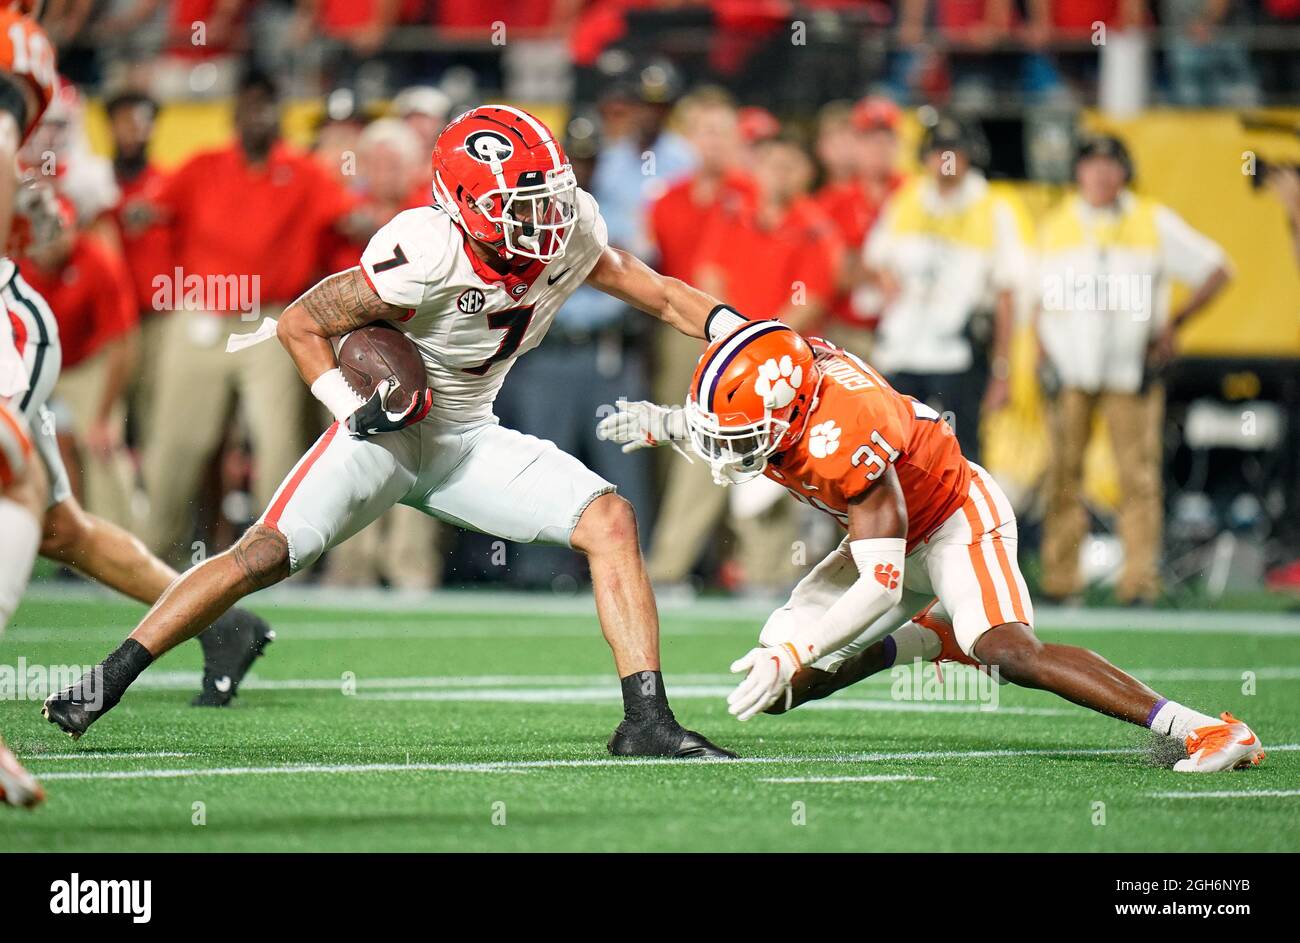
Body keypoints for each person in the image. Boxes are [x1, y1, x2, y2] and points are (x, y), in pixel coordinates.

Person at [44, 104, 749, 760]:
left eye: (550, 197)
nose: (545, 220)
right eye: (520, 206)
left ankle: (647, 723)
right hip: (384, 434)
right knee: (261, 553)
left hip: (469, 437)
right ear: (464, 206)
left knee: (611, 520)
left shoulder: (571, 231)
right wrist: (348, 407)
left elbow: (655, 291)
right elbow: (301, 323)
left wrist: (740, 332)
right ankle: (107, 677)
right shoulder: (426, 251)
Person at [598, 319, 1265, 773]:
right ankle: (928, 639)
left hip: (950, 519)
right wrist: (669, 422)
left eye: (733, 433)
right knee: (779, 690)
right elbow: (747, 412)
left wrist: (802, 643)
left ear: (792, 414)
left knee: (1006, 649)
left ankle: (1200, 725)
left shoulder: (845, 435)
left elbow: (882, 585)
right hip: (885, 538)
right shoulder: (788, 390)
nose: (725, 446)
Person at [0, 0, 266, 811]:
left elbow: (44, 188)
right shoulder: (34, 57)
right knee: (54, 521)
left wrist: (28, 208)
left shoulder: (26, 55)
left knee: (19, 487)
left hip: (7, 312)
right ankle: (218, 622)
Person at [126, 68, 369, 567]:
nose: (256, 116)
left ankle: (281, 555)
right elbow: (142, 213)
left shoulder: (303, 172)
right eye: (249, 106)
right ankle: (152, 558)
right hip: (202, 312)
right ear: (235, 113)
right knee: (176, 442)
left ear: (276, 113)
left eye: (265, 106)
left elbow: (353, 217)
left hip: (269, 319)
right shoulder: (202, 167)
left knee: (277, 442)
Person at [1036, 134, 1231, 605]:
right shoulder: (1058, 223)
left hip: (1132, 368)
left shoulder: (1151, 220)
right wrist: (1043, 358)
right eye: (1092, 165)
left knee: (1137, 478)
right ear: (1078, 172)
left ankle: (1139, 581)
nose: (1100, 175)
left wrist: (1173, 324)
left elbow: (1218, 268)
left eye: (1109, 165)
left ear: (1124, 172)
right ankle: (1062, 580)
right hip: (1072, 369)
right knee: (1063, 474)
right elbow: (1036, 303)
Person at [863, 114, 1024, 465]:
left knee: (962, 457)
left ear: (971, 156)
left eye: (954, 152)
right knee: (892, 456)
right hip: (902, 352)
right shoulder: (906, 200)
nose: (945, 162)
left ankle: (967, 522)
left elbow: (1006, 296)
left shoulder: (992, 209)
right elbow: (876, 256)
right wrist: (888, 280)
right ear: (924, 157)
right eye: (938, 152)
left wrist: (1001, 370)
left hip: (957, 358)